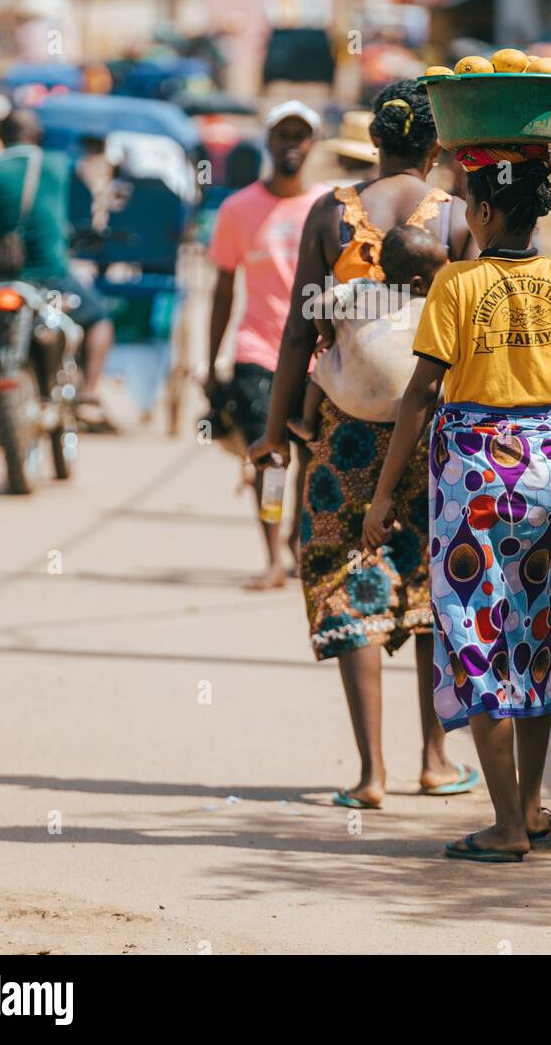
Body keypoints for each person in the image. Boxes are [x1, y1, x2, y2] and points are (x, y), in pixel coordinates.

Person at [362, 99, 551, 860]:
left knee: (472, 636)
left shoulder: (456, 285)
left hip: (473, 474)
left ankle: (506, 826)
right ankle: (530, 804)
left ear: (482, 210)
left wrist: (385, 493)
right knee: (529, 635)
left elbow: (419, 395)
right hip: (545, 466)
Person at [250, 79, 478, 809]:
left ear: (371, 142)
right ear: (435, 146)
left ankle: (370, 774)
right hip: (436, 428)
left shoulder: (329, 213)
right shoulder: (455, 219)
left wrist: (273, 433)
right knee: (435, 583)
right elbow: (476, 326)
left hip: (343, 431)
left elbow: (295, 334)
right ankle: (435, 762)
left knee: (346, 575)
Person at [205, 100, 325, 591]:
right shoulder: (237, 209)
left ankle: (300, 537)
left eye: (300, 135)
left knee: (314, 459)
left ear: (312, 144)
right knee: (272, 459)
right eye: (282, 135)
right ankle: (273, 557)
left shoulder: (329, 205)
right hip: (258, 353)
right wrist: (214, 361)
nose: (291, 144)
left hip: (318, 356)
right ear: (268, 141)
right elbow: (223, 288)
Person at [0, 108, 114, 420]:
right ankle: (90, 393)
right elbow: (83, 202)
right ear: (37, 136)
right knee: (99, 319)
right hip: (51, 276)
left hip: (1, 276)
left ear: (1, 137)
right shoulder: (57, 165)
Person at [289, 224, 448, 442]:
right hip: (403, 406)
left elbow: (319, 304)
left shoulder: (365, 287)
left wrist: (328, 337)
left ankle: (307, 424)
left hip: (348, 398)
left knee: (321, 369)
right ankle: (426, 435)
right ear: (418, 284)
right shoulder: (431, 304)